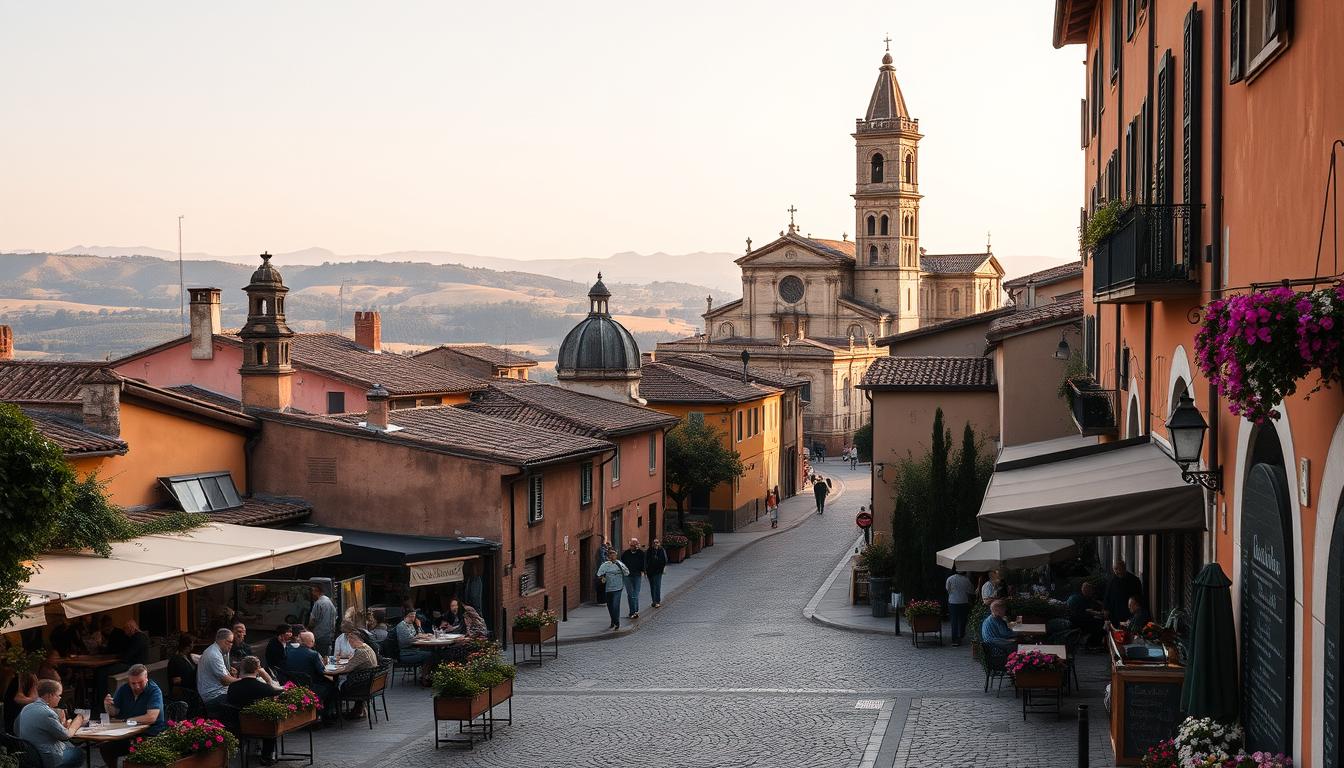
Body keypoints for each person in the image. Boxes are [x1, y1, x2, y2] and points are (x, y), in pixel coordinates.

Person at [99, 664, 165, 768]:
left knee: (136, 749)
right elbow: (114, 712)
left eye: (140, 682)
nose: (137, 686)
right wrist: (107, 705)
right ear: (129, 681)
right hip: (127, 733)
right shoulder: (124, 688)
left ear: (146, 678)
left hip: (149, 734)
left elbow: (151, 718)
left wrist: (127, 720)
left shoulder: (154, 691)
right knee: (105, 747)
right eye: (133, 683)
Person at [18, 679, 83, 768]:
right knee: (79, 753)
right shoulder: (47, 713)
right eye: (59, 695)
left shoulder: (27, 708)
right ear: (50, 695)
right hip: (45, 758)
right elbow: (66, 735)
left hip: (30, 755)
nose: (60, 698)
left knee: (69, 746)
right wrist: (78, 721)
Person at [227, 656, 281, 765]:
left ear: (242, 669)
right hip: (259, 726)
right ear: (257, 669)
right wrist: (267, 678)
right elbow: (277, 691)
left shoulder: (232, 687)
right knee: (271, 720)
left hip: (236, 724)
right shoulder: (264, 688)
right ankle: (266, 757)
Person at [284, 632, 336, 720]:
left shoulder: (287, 651)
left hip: (292, 684)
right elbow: (322, 671)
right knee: (332, 686)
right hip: (311, 686)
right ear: (312, 641)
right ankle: (327, 715)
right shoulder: (313, 654)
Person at [196, 628, 239, 709]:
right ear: (223, 641)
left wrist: (234, 676)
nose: (231, 645)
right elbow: (225, 680)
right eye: (230, 642)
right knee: (244, 699)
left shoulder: (215, 651)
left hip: (215, 694)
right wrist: (245, 680)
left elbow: (226, 678)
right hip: (213, 697)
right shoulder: (214, 654)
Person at [339, 633, 378, 720]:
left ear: (352, 640)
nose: (349, 644)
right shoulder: (367, 647)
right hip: (369, 682)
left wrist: (332, 670)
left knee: (337, 686)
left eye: (349, 642)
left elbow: (347, 669)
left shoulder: (360, 652)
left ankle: (334, 712)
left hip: (362, 685)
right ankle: (358, 709)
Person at [596, 548, 630, 631]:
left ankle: (617, 622)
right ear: (608, 556)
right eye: (610, 554)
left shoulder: (620, 564)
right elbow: (599, 574)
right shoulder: (605, 565)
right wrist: (602, 578)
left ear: (616, 555)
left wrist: (620, 568)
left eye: (614, 554)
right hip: (608, 588)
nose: (612, 556)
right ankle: (613, 620)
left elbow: (627, 573)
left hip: (618, 588)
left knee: (615, 605)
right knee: (610, 605)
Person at [1103, 560, 1144, 624]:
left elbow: (1139, 596)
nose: (1116, 571)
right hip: (1115, 610)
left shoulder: (1134, 580)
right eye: (1114, 569)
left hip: (1128, 610)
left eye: (1117, 569)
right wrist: (1106, 608)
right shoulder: (1112, 580)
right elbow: (1107, 595)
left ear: (1123, 568)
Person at [3, 667, 38, 736]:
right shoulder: (17, 679)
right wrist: (34, 686)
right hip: (15, 727)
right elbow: (18, 699)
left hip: (16, 724)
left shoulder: (20, 678)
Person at [945, 570, 975, 647]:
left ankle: (954, 640)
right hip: (963, 602)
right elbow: (971, 591)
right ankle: (961, 635)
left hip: (952, 602)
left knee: (954, 621)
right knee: (962, 620)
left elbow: (947, 589)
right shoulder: (966, 580)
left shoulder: (950, 578)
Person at [307, 584, 337, 656]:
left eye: (312, 592)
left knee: (320, 657)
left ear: (317, 592)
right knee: (326, 656)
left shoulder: (318, 603)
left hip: (320, 635)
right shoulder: (330, 602)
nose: (311, 594)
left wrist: (307, 629)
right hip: (329, 635)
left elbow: (312, 620)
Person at [620, 538, 646, 619]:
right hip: (627, 576)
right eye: (631, 545)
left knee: (635, 594)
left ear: (637, 545)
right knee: (630, 594)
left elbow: (644, 563)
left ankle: (635, 611)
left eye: (634, 545)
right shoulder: (626, 553)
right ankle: (633, 611)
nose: (633, 547)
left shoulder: (641, 553)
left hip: (637, 575)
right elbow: (622, 563)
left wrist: (643, 571)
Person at [645, 538, 668, 609]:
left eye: (657, 542)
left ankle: (657, 601)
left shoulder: (661, 550)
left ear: (659, 543)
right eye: (654, 542)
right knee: (652, 586)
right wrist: (645, 570)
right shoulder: (649, 550)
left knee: (657, 586)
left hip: (658, 571)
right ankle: (654, 601)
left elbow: (665, 560)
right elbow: (645, 560)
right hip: (650, 571)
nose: (655, 544)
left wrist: (661, 568)